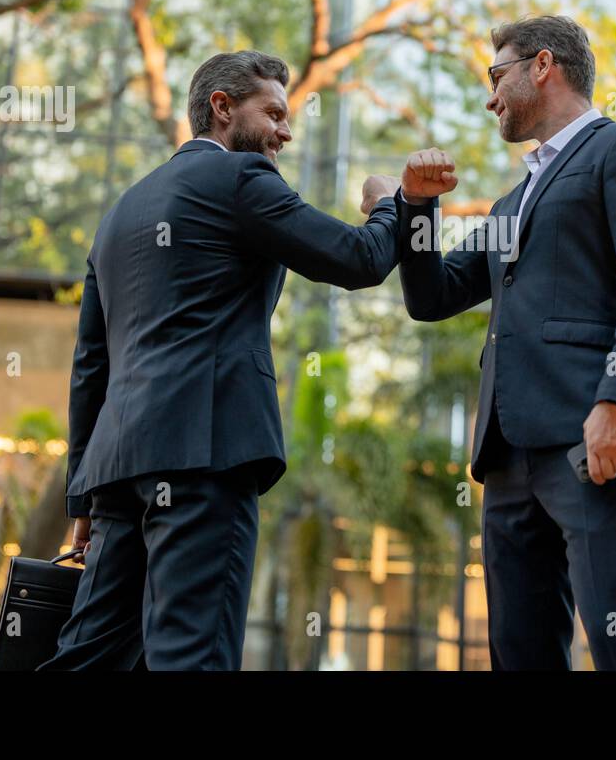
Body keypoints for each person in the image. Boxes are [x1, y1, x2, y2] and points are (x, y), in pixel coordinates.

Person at [39, 50, 401, 670]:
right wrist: (390, 204)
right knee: (193, 656)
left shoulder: (119, 214)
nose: (287, 130)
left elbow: (89, 369)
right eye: (275, 114)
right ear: (222, 107)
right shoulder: (241, 181)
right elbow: (359, 259)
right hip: (205, 457)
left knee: (85, 661)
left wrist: (84, 501)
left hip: (118, 474)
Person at [393, 15, 616, 670]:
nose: (489, 95)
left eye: (495, 75)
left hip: (593, 436)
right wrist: (415, 208)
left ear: (542, 65)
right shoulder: (511, 205)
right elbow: (433, 296)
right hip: (507, 454)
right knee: (519, 652)